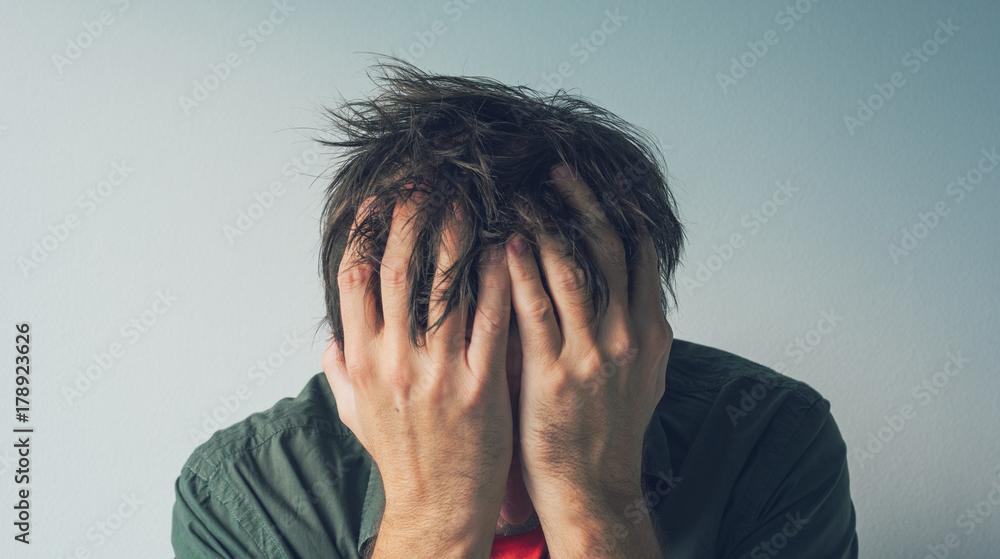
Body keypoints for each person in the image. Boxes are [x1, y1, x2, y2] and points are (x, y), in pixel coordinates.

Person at [171, 56, 859, 558]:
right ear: (365, 367)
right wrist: (433, 515)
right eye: (449, 404)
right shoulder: (245, 497)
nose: (496, 456)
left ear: (637, 346)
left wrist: (594, 501)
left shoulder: (771, 443)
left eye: (558, 393)